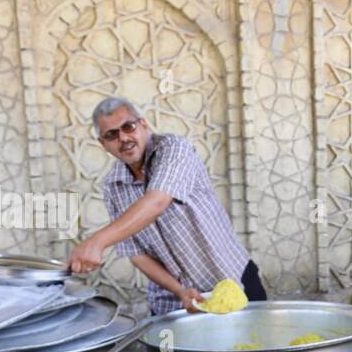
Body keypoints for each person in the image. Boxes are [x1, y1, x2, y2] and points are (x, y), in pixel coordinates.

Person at [66, 97, 267, 315]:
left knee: (251, 345)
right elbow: (137, 255)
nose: (123, 138)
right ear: (103, 144)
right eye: (111, 134)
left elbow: (157, 201)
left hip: (232, 282)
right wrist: (180, 291)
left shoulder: (174, 149)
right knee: (167, 350)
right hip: (171, 301)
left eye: (128, 127)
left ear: (143, 125)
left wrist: (97, 242)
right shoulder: (113, 187)